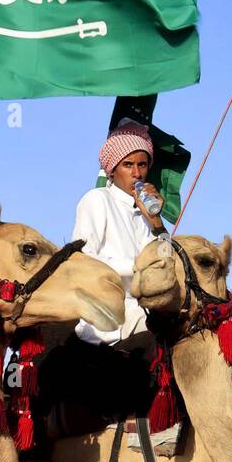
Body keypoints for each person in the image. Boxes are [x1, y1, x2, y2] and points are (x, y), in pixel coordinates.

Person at [72, 120, 167, 344]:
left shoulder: (147, 214)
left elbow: (168, 261)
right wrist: (139, 267)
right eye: (128, 165)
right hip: (108, 317)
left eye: (142, 165)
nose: (137, 173)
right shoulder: (97, 200)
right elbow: (83, 261)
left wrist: (155, 220)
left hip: (145, 310)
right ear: (112, 170)